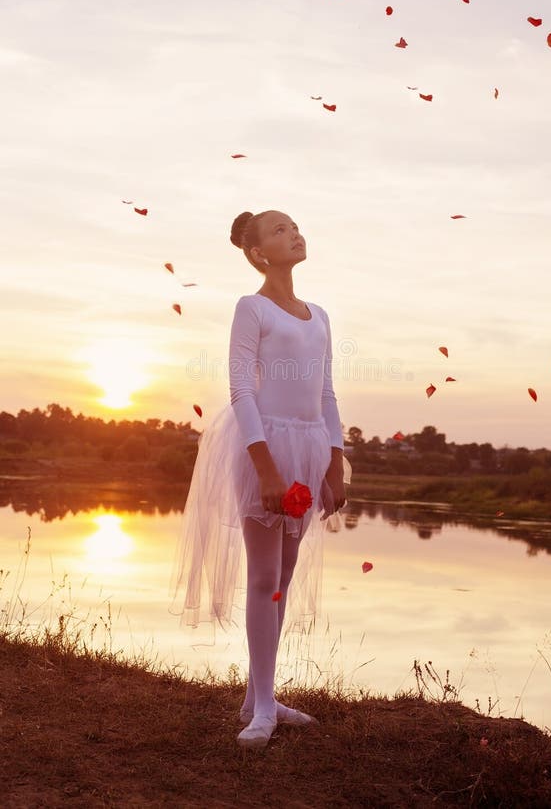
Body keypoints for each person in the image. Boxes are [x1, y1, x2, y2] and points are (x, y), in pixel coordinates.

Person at [169, 208, 351, 750]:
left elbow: (326, 395)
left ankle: (258, 695)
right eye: (280, 230)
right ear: (257, 253)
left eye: (296, 225)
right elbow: (241, 391)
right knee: (264, 577)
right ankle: (265, 709)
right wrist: (265, 465)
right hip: (263, 449)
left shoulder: (318, 315)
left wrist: (334, 462)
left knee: (286, 575)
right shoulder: (252, 309)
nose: (294, 232)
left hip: (310, 447)